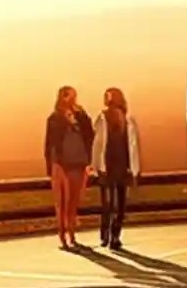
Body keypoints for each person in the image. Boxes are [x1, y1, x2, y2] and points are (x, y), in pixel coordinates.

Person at [43, 85, 94, 250]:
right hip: (61, 163)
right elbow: (49, 143)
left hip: (79, 162)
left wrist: (81, 116)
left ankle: (72, 231)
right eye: (67, 96)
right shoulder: (55, 118)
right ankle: (62, 233)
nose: (71, 100)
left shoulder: (80, 116)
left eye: (73, 96)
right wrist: (50, 167)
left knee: (74, 200)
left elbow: (90, 135)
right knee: (62, 201)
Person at [91, 87, 141, 250]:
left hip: (122, 165)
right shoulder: (102, 118)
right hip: (108, 165)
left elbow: (133, 145)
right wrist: (96, 165)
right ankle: (106, 234)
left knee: (120, 204)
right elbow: (98, 144)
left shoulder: (128, 120)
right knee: (107, 203)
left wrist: (134, 168)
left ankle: (115, 235)